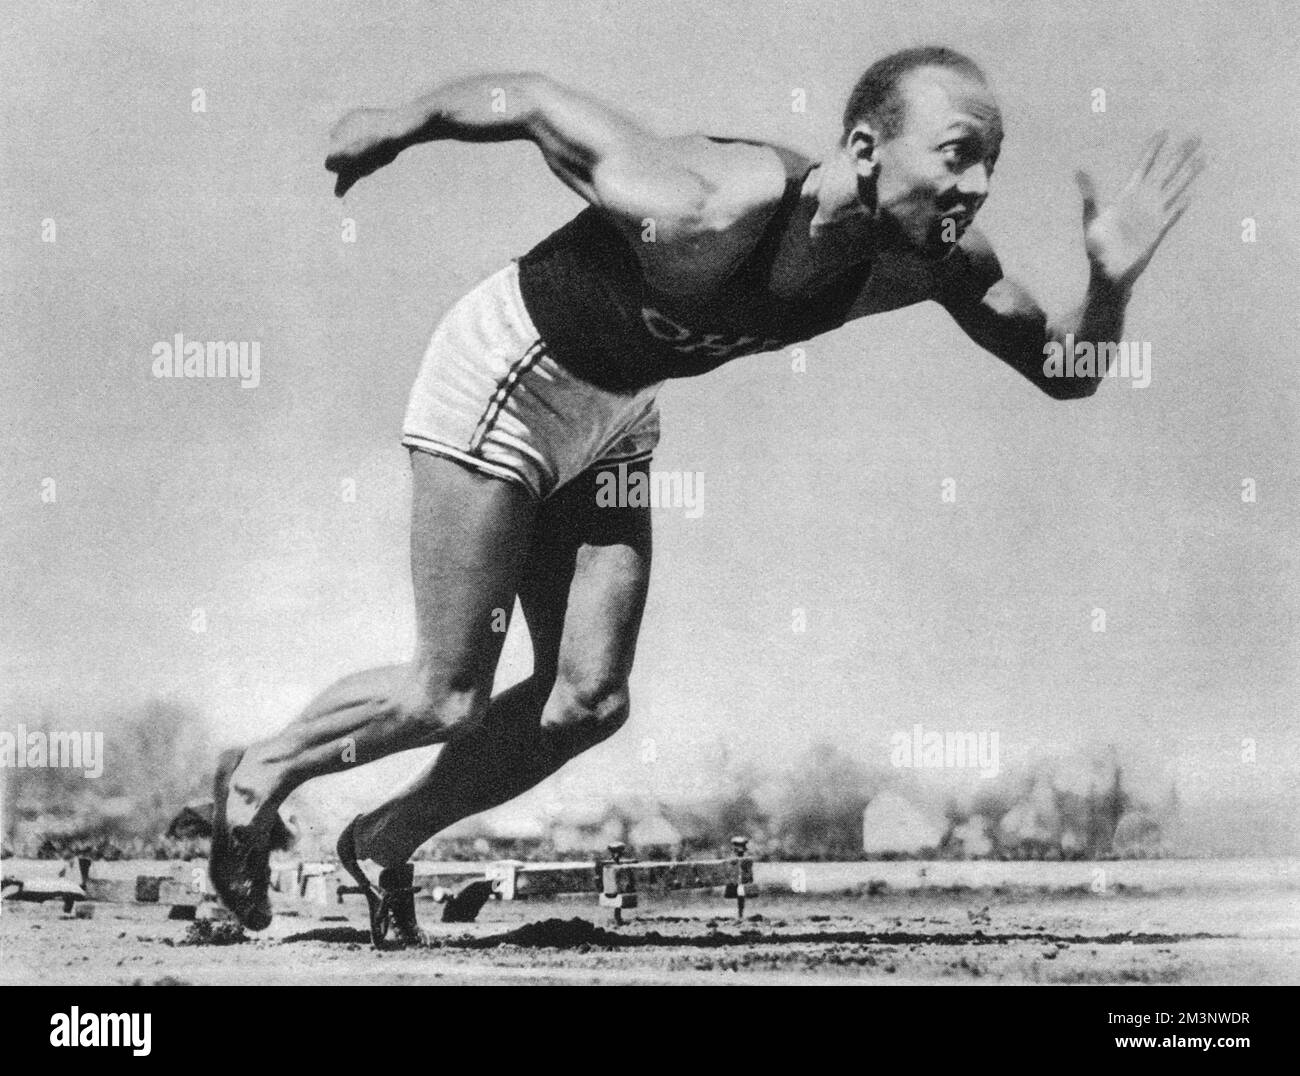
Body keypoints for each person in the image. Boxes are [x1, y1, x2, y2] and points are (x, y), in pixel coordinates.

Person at [209, 46, 1203, 944]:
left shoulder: (930, 265)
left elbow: (1064, 368)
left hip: (619, 410)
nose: (975, 185)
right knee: (446, 690)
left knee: (587, 699)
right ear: (864, 147)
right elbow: (536, 102)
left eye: (990, 162)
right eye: (955, 154)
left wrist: (1108, 283)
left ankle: (384, 841)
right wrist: (403, 120)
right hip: (511, 370)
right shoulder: (706, 203)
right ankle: (262, 769)